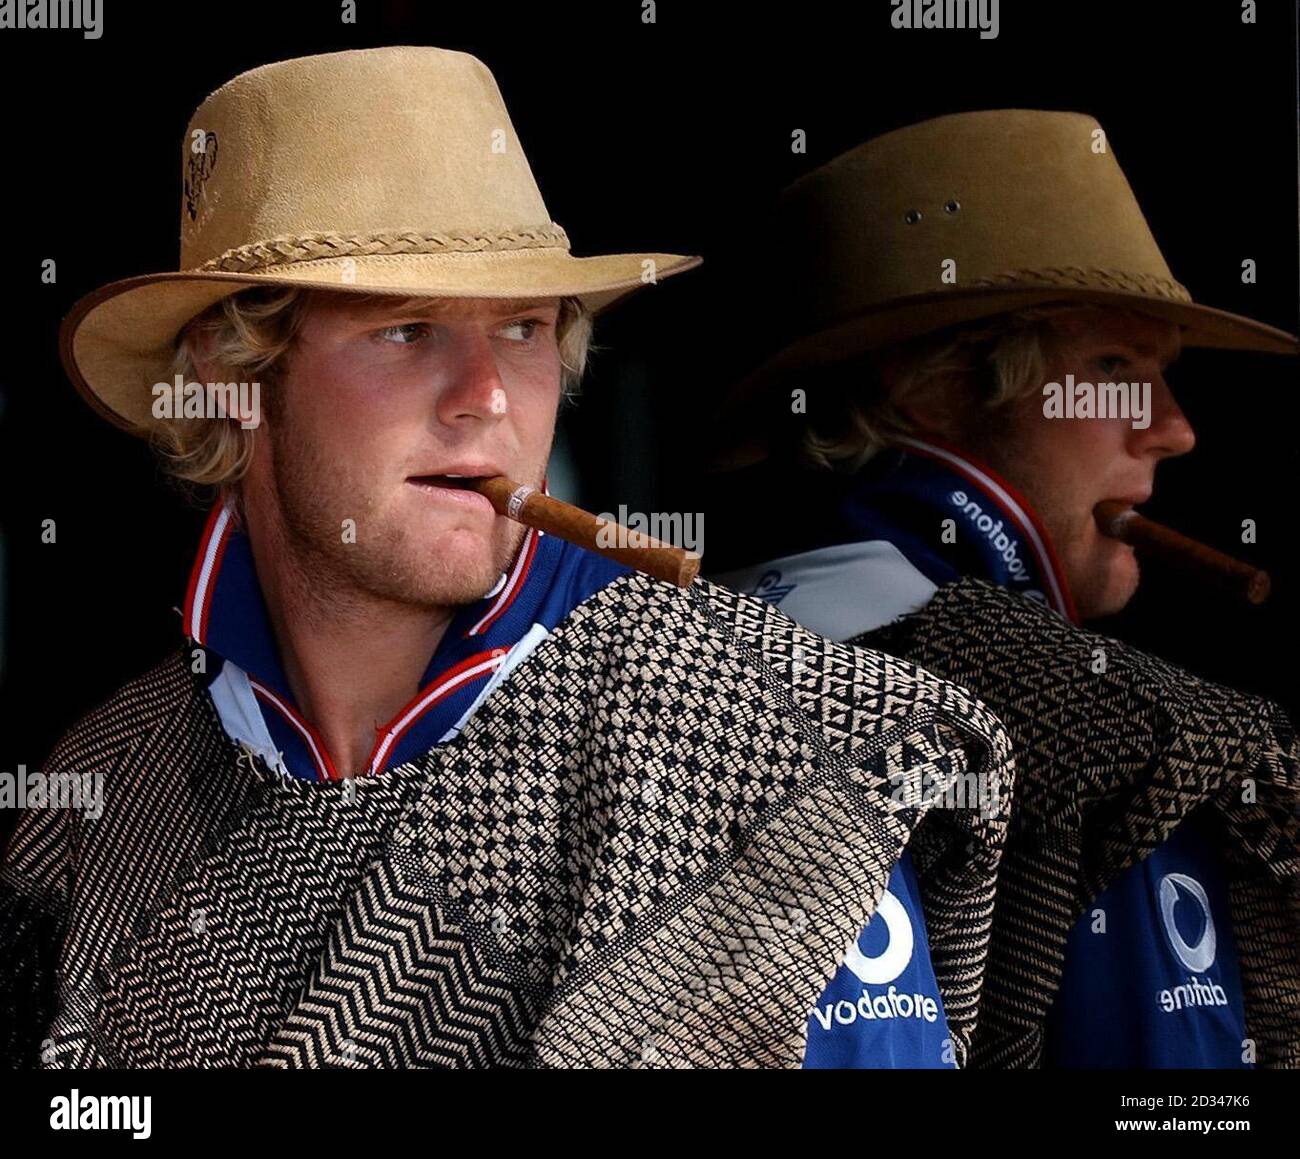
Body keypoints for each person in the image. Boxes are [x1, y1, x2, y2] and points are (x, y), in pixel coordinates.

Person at [0, 49, 1013, 1069]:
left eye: (524, 328)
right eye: (406, 330)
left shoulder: (770, 750)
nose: (486, 395)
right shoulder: (103, 780)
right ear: (232, 373)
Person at [708, 109, 1300, 1068]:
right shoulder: (1106, 734)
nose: (1174, 429)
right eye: (1113, 369)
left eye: (1163, 376)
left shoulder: (678, 639)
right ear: (932, 386)